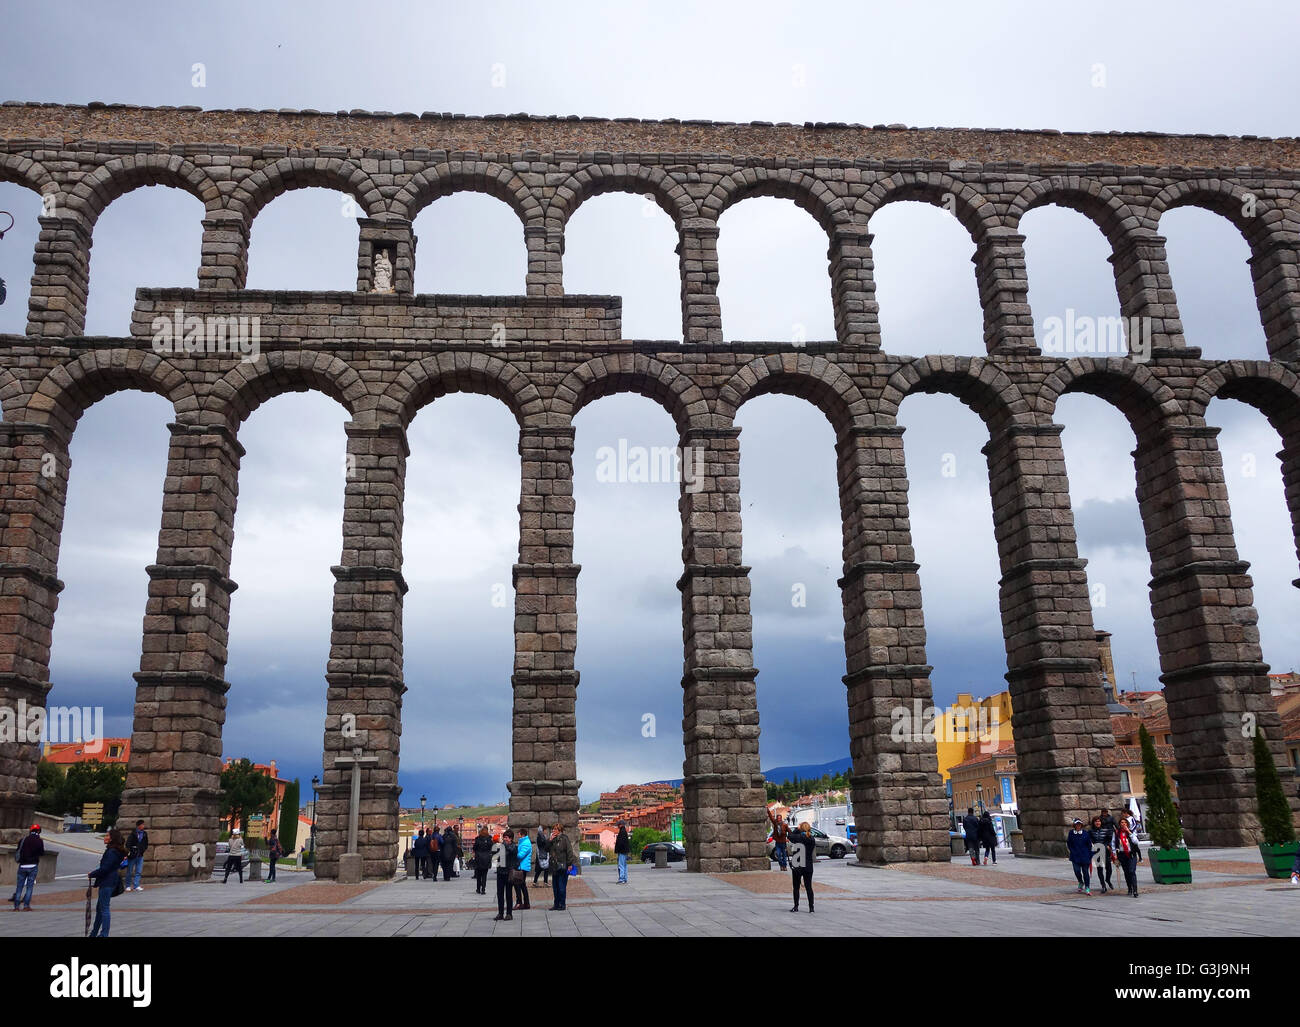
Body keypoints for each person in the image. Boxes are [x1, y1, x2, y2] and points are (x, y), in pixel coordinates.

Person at [87, 828, 127, 937]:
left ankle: (104, 934)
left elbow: (105, 868)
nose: (105, 838)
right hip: (110, 880)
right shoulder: (115, 851)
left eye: (107, 836)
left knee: (104, 908)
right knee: (100, 908)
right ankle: (94, 933)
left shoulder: (112, 852)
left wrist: (92, 874)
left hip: (107, 881)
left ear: (112, 838)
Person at [11, 824, 43, 911]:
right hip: (33, 865)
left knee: (19, 887)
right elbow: (41, 853)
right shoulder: (39, 841)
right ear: (39, 831)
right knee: (29, 887)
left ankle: (16, 907)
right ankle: (26, 906)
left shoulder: (23, 840)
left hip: (22, 865)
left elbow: (18, 851)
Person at [788, 820, 816, 913]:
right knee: (809, 887)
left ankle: (796, 906)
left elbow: (790, 836)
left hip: (798, 864)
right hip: (808, 864)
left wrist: (797, 829)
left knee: (796, 887)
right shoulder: (811, 838)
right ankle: (811, 908)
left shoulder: (798, 837)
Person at [1113, 812, 1143, 898]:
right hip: (1122, 855)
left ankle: (1135, 890)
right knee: (1126, 872)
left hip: (1131, 854)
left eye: (1125, 823)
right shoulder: (1117, 833)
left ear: (1127, 824)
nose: (1123, 824)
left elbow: (1136, 842)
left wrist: (1129, 832)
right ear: (1119, 824)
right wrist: (1115, 854)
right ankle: (1129, 888)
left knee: (1131, 871)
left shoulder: (1131, 832)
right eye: (1122, 823)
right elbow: (1114, 844)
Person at [548, 823, 574, 911]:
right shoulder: (553, 839)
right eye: (553, 829)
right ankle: (556, 904)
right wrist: (550, 840)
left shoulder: (564, 839)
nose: (553, 831)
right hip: (554, 866)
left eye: (555, 829)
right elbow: (546, 849)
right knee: (555, 887)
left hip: (563, 866)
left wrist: (570, 864)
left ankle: (562, 904)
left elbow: (569, 851)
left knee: (561, 886)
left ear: (559, 830)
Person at [494, 829, 518, 922]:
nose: (504, 839)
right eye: (504, 837)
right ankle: (500, 913)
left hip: (509, 873)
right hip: (500, 872)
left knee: (508, 894)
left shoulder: (513, 847)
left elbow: (512, 852)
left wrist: (504, 845)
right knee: (500, 894)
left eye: (506, 838)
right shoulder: (502, 846)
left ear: (511, 839)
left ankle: (509, 913)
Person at [1067, 818, 1093, 894]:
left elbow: (1089, 845)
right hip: (1075, 856)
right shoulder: (1071, 833)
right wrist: (1072, 851)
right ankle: (1080, 882)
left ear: (1081, 825)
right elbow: (1069, 843)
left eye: (1079, 824)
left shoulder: (1085, 833)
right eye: (1076, 825)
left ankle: (1087, 887)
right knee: (1077, 871)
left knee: (1085, 872)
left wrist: (1089, 854)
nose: (1078, 826)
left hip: (1085, 856)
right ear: (1074, 825)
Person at [1089, 814, 1114, 894]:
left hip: (1105, 850)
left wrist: (1107, 845)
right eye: (1096, 821)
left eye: (1099, 821)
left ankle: (1108, 879)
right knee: (1100, 870)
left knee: (1109, 868)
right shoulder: (1090, 831)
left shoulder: (1106, 830)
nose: (1097, 822)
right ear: (1093, 823)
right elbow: (1089, 840)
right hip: (1097, 851)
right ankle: (1103, 885)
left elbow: (1109, 840)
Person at [125, 819, 148, 892]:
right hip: (133, 855)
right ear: (139, 826)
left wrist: (143, 849)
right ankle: (128, 885)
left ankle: (136, 885)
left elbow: (146, 843)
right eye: (142, 824)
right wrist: (131, 851)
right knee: (130, 871)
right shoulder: (133, 834)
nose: (144, 826)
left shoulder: (144, 834)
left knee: (139, 871)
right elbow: (128, 844)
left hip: (140, 855)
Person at [514, 825, 532, 910]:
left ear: (522, 835)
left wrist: (513, 854)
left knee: (519, 885)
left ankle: (520, 903)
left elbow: (520, 855)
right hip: (521, 867)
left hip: (522, 867)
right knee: (522, 885)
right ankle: (525, 903)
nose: (518, 836)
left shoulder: (525, 843)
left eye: (518, 834)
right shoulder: (523, 842)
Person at [766, 806, 789, 871]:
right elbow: (771, 817)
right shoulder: (775, 824)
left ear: (781, 819)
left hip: (783, 843)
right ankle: (781, 865)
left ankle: (784, 866)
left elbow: (789, 831)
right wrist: (767, 810)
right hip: (778, 843)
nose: (779, 819)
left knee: (784, 856)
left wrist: (788, 838)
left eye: (780, 818)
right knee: (778, 855)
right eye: (778, 818)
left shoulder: (785, 825)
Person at [472, 826, 493, 895]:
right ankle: (483, 889)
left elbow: (474, 848)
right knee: (484, 875)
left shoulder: (478, 839)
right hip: (486, 858)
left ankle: (478, 888)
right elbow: (492, 848)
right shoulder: (489, 839)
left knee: (478, 874)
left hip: (479, 858)